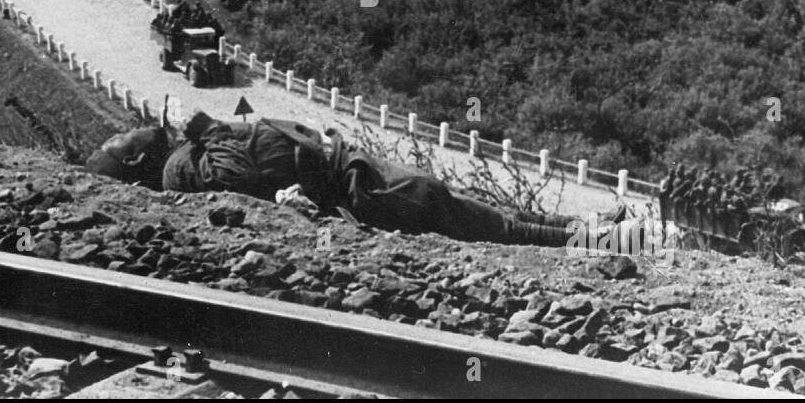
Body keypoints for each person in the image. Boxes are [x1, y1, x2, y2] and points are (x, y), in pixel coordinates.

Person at [86, 110, 634, 250]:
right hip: (351, 185)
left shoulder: (183, 152)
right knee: (465, 215)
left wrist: (211, 130)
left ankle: (584, 224)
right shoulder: (180, 168)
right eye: (123, 142)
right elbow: (251, 175)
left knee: (461, 203)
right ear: (135, 165)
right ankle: (586, 240)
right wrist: (212, 136)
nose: (132, 131)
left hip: (347, 168)